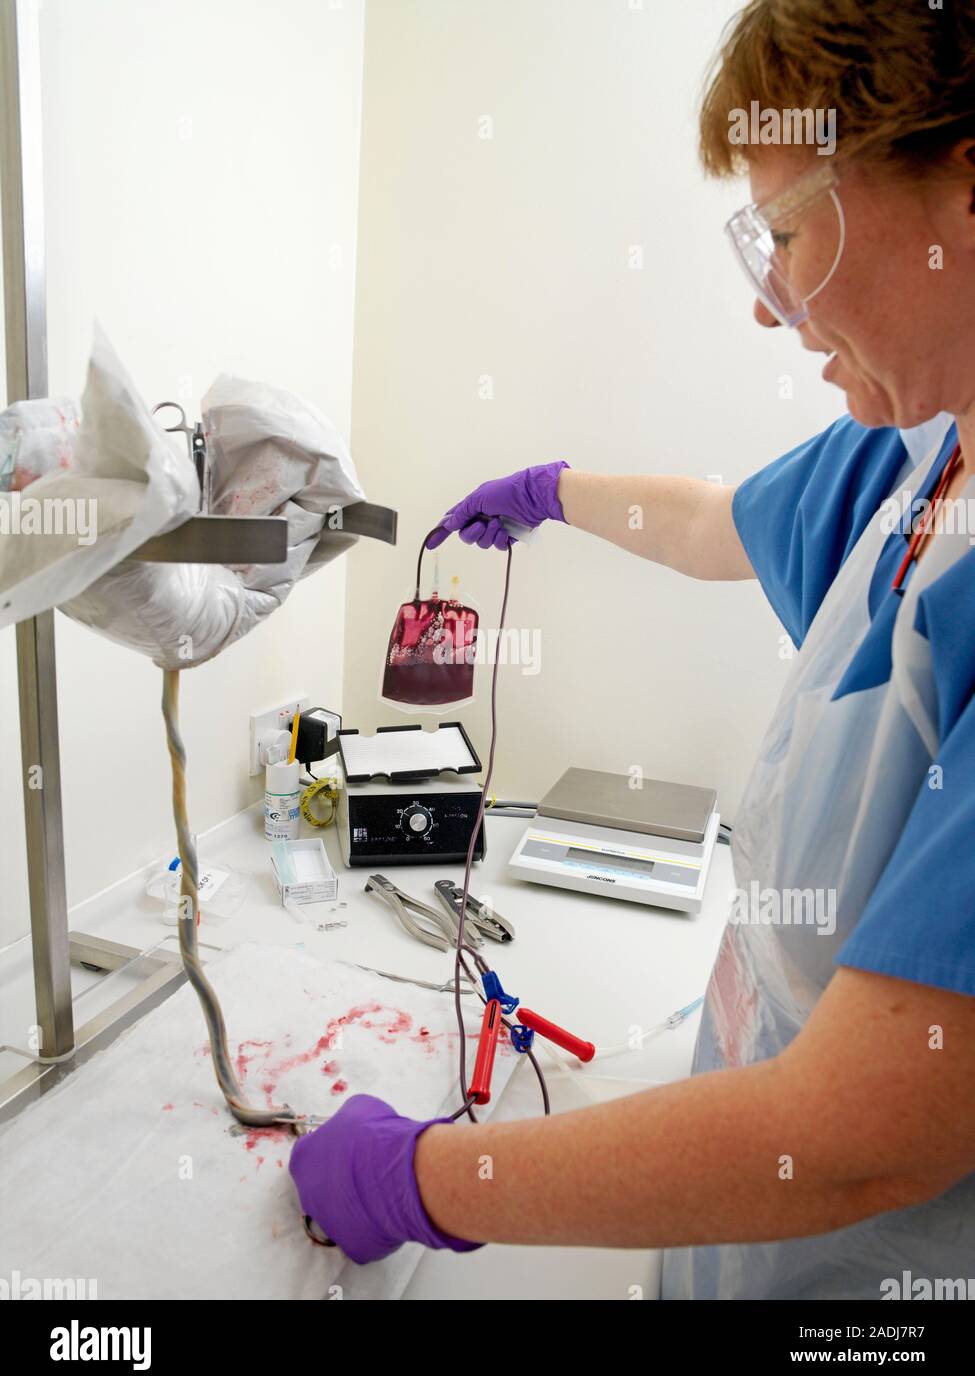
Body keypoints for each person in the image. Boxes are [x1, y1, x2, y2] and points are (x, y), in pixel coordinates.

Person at [289, 0, 975, 1297]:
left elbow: (855, 1140)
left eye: (785, 233)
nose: (772, 306)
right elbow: (722, 524)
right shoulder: (921, 451)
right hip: (742, 1226)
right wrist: (549, 491)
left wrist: (430, 1181)